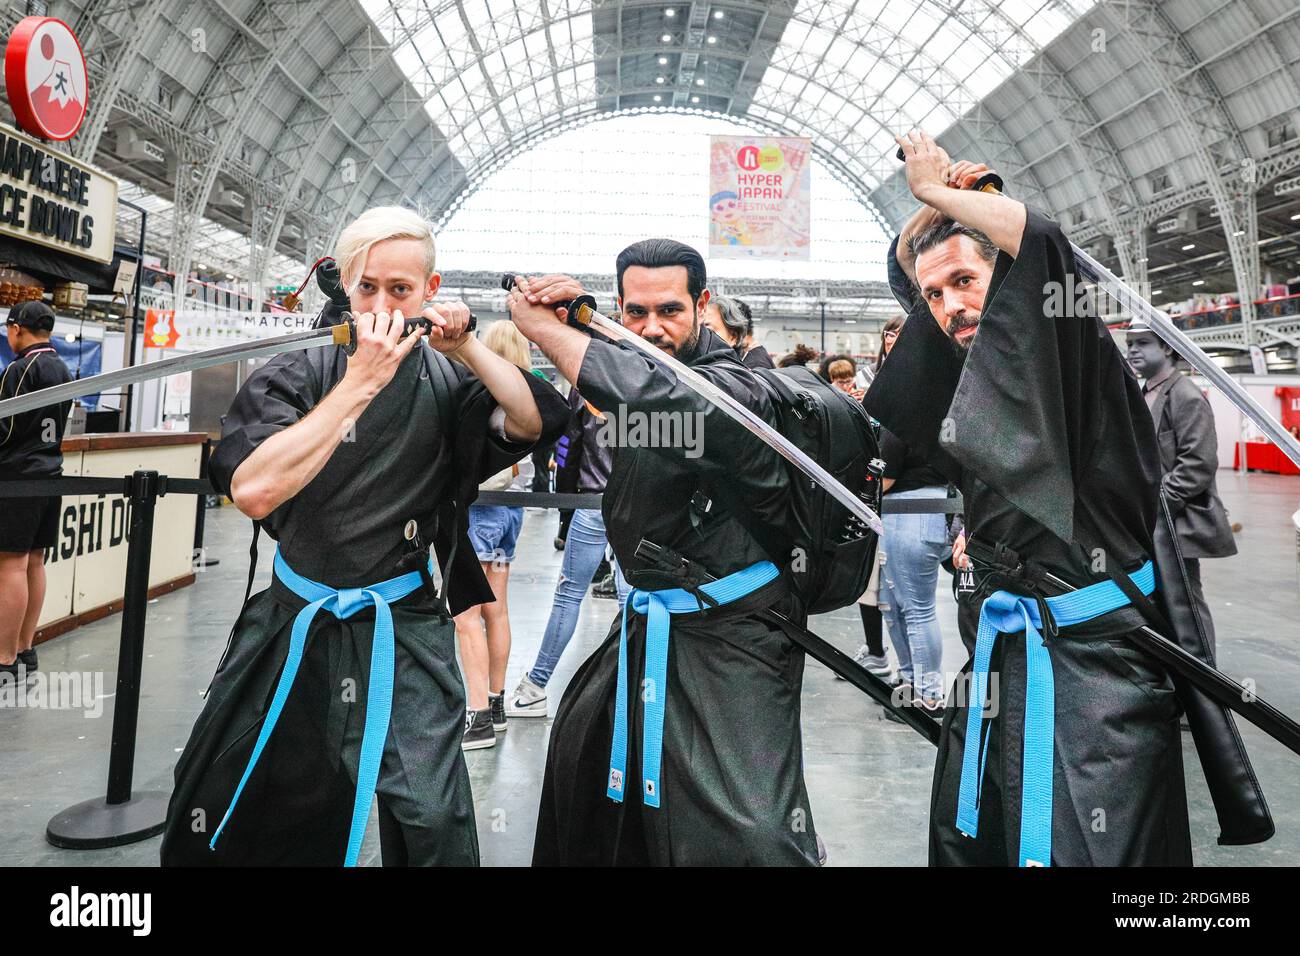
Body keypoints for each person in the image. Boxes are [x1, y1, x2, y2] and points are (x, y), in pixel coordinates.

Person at [867, 132, 1242, 866]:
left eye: (966, 282)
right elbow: (914, 283)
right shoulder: (973, 379)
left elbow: (1044, 244)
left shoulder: (1074, 357)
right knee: (983, 839)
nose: (949, 305)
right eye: (935, 294)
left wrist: (943, 197)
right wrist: (932, 225)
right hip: (1005, 657)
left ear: (1008, 283)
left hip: (1096, 675)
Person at [160, 206, 567, 866]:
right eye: (368, 287)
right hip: (297, 618)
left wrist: (465, 346)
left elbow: (528, 421)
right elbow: (255, 489)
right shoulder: (301, 371)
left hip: (402, 624)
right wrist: (358, 385)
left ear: (430, 292)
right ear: (346, 286)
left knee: (432, 813)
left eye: (401, 290)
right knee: (231, 788)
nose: (382, 304)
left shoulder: (447, 378)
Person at [509, 239, 819, 865]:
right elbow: (632, 393)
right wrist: (579, 322)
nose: (652, 327)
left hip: (737, 638)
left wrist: (550, 333)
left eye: (670, 310)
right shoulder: (636, 364)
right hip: (648, 624)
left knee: (752, 828)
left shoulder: (743, 386)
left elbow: (669, 403)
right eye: (636, 312)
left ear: (704, 305)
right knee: (588, 774)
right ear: (618, 308)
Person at [507, 383, 630, 718]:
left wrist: (565, 510)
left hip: (590, 502)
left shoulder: (585, 387)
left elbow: (569, 449)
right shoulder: (643, 378)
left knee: (569, 595)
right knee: (630, 598)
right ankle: (635, 687)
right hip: (633, 505)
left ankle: (535, 688)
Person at [1126, 320, 1237, 659]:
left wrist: (1160, 504)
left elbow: (1199, 464)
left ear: (1168, 348)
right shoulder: (1143, 394)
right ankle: (1179, 680)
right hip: (1150, 524)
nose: (1132, 350)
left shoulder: (1186, 395)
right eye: (1130, 343)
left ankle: (1204, 686)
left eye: (1143, 343)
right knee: (1160, 602)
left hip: (1176, 523)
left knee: (1184, 603)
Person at [456, 320, 536, 750]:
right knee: (496, 611)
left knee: (466, 614)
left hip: (481, 514)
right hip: (511, 515)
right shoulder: (528, 395)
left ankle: (479, 717)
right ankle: (496, 702)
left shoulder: (486, 395)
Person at [0, 300, 71, 686]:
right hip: (50, 472)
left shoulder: (19, 368)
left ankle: (3, 659)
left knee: (10, 565)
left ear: (16, 329)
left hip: (18, 476)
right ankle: (25, 650)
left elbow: (5, 428)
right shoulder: (62, 368)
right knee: (34, 562)